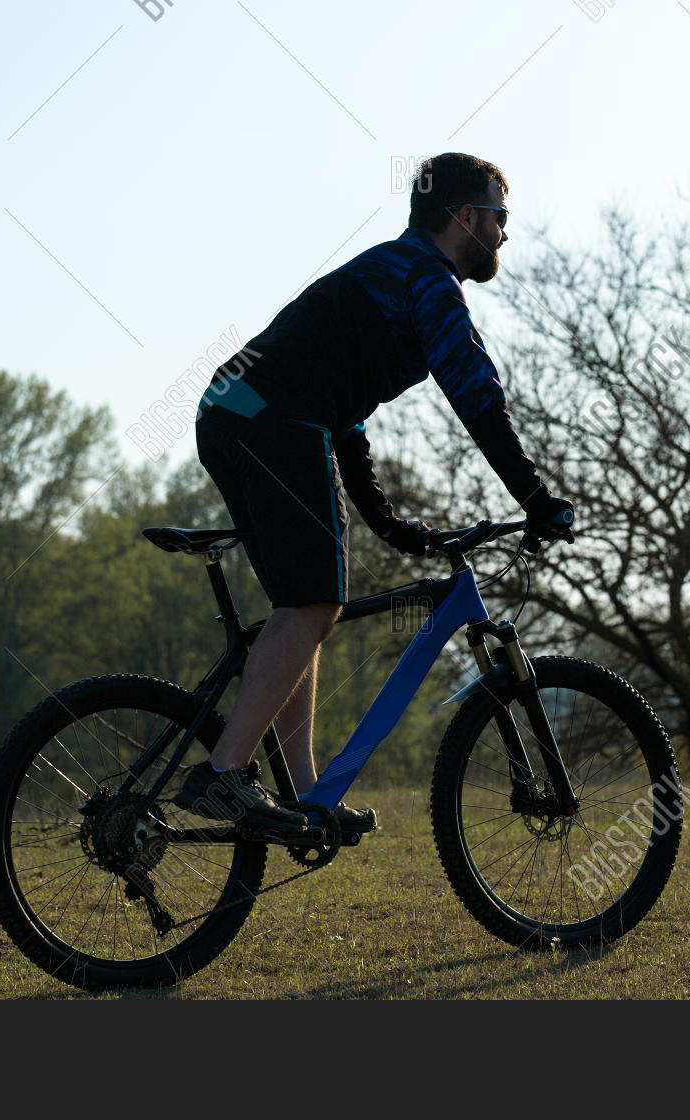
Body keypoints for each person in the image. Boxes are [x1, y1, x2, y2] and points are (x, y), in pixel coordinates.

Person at [174, 152, 573, 834]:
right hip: (273, 414)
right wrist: (536, 498)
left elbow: (348, 419)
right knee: (317, 601)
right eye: (501, 218)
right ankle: (221, 773)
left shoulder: (387, 273)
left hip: (236, 405)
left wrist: (390, 525)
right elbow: (477, 394)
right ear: (466, 216)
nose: (506, 234)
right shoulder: (426, 279)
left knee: (303, 607)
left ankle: (305, 798)